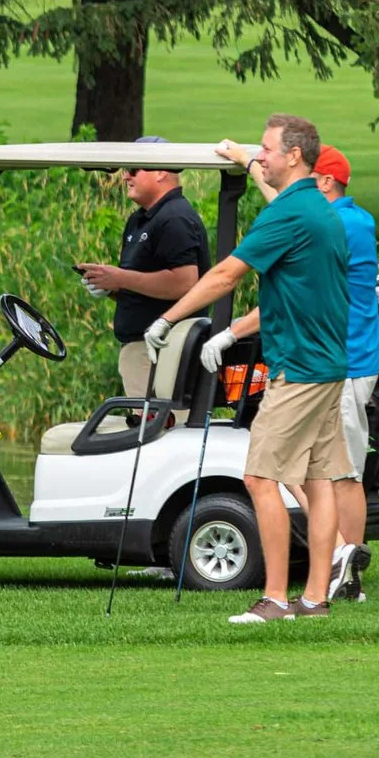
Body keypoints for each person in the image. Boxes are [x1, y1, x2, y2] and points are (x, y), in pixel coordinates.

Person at [146, 114, 350, 624]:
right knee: (320, 480)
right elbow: (275, 196)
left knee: (259, 477)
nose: (261, 156)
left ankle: (276, 599)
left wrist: (168, 320)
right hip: (328, 365)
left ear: (295, 156)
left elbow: (224, 275)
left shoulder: (288, 216)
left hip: (298, 369)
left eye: (266, 149)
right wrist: (244, 160)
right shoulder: (314, 207)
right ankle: (315, 599)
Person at [197, 142, 379, 601]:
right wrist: (250, 164)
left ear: (323, 182)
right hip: (352, 359)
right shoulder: (350, 219)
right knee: (336, 471)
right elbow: (284, 207)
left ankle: (341, 556)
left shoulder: (330, 224)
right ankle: (344, 566)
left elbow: (284, 228)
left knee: (318, 471)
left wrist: (229, 332)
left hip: (335, 360)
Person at [73, 137, 209, 398]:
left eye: (133, 169)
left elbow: (185, 283)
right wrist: (110, 287)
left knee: (156, 433)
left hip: (163, 350)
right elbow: (144, 286)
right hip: (143, 349)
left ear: (160, 172)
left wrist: (120, 277)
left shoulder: (175, 217)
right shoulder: (140, 220)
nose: (125, 177)